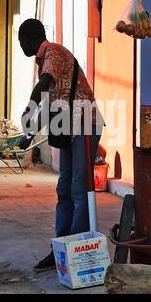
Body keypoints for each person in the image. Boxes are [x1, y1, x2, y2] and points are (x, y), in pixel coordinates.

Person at [17, 18, 100, 271]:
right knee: (64, 189)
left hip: (85, 124)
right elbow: (49, 104)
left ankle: (75, 249)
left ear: (28, 39)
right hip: (68, 125)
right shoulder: (43, 61)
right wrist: (30, 133)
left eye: (21, 41)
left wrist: (27, 110)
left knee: (79, 190)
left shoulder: (53, 53)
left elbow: (42, 87)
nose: (21, 46)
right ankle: (60, 249)